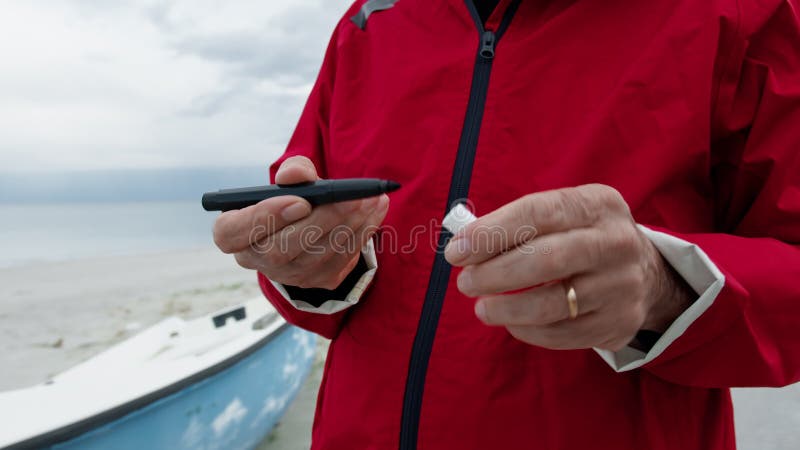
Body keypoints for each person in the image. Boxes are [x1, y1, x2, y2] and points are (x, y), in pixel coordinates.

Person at [212, 0, 800, 448]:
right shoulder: (370, 20)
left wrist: (663, 286)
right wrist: (305, 264)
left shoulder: (743, 13)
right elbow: (311, 241)